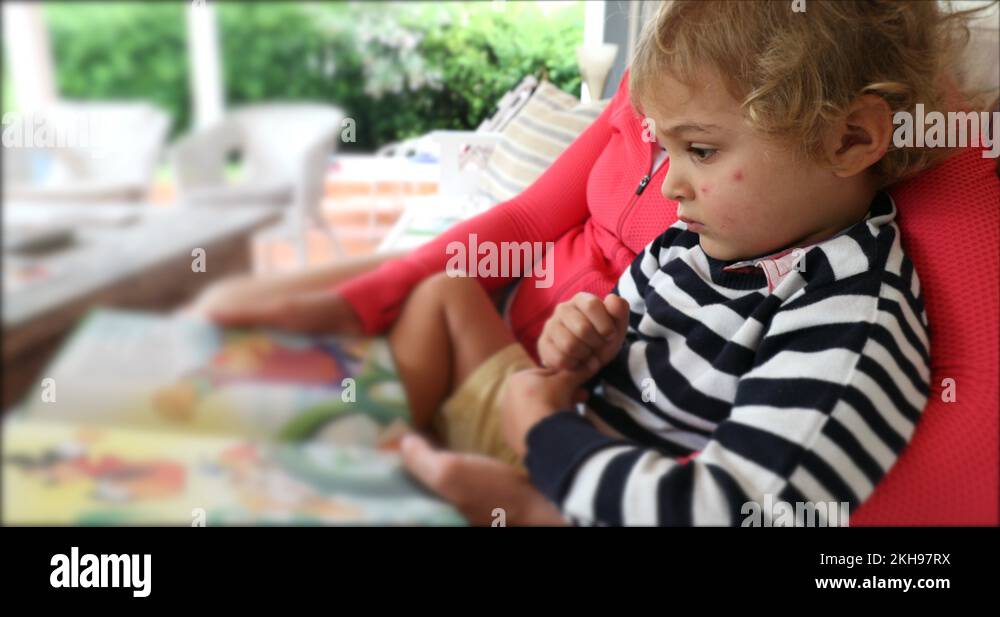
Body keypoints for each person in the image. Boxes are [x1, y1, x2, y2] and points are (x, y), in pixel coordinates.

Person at [193, 0, 983, 525]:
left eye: (701, 150)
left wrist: (541, 454)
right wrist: (584, 346)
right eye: (663, 147)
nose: (670, 182)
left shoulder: (846, 318)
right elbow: (625, 328)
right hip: (563, 426)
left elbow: (726, 509)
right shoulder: (717, 232)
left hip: (596, 496)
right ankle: (363, 465)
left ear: (851, 139)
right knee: (442, 295)